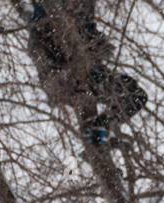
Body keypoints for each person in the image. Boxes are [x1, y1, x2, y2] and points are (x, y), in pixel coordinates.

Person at [28, 0, 147, 146]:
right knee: (129, 95)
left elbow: (94, 37)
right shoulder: (48, 16)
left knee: (136, 96)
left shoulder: (79, 13)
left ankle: (100, 129)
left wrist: (99, 46)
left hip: (87, 76)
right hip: (66, 80)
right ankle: (96, 134)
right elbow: (43, 51)